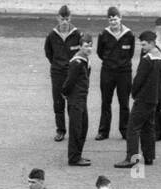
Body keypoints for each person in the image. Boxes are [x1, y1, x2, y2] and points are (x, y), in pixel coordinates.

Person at [118, 29, 161, 168]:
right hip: (153, 97)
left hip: (143, 98)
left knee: (133, 128)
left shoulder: (147, 59)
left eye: (143, 45)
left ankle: (132, 158)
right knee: (148, 127)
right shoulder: (160, 58)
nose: (142, 48)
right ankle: (149, 156)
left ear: (151, 43)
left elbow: (139, 79)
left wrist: (134, 92)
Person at [95, 6, 134, 142]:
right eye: (110, 19)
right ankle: (103, 132)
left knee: (124, 103)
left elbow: (130, 53)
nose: (113, 22)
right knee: (106, 102)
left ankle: (125, 131)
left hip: (124, 73)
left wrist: (121, 64)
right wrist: (110, 62)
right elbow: (100, 53)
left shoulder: (129, 35)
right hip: (108, 71)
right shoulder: (103, 35)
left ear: (120, 18)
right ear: (108, 20)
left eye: (115, 19)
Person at [45, 6, 80, 142]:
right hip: (57, 73)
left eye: (67, 19)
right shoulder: (52, 35)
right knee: (58, 103)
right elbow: (48, 53)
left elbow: (80, 52)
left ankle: (74, 130)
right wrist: (57, 64)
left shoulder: (77, 34)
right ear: (57, 18)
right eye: (62, 19)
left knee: (72, 103)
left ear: (70, 18)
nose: (64, 22)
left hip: (72, 73)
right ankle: (60, 130)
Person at [63, 34, 94, 166]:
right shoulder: (77, 62)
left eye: (91, 45)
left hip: (82, 98)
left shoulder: (85, 60)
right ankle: (74, 158)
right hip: (76, 99)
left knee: (83, 127)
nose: (89, 48)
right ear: (80, 46)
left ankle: (78, 155)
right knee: (76, 129)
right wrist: (65, 93)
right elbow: (69, 81)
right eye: (86, 46)